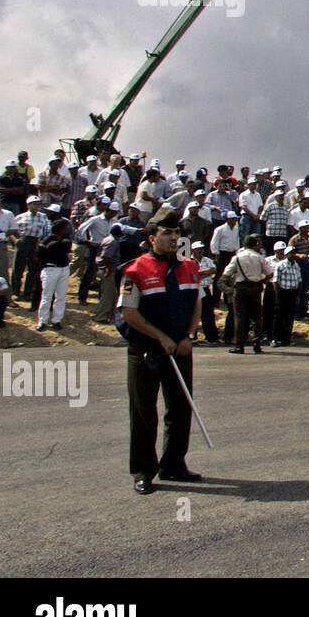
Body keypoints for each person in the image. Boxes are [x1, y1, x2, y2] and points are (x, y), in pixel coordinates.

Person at [117, 210, 202, 495]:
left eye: (177, 233)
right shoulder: (135, 270)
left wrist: (189, 336)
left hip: (180, 348)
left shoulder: (189, 266)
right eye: (167, 233)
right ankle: (143, 470)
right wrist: (161, 337)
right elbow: (129, 313)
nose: (174, 238)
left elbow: (197, 305)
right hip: (146, 349)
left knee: (180, 407)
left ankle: (174, 464)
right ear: (153, 238)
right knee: (144, 412)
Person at [223, 234, 272, 353]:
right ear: (255, 244)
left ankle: (239, 345)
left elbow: (227, 273)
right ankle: (257, 344)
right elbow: (270, 273)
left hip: (241, 287)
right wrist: (261, 280)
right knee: (256, 318)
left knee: (239, 317)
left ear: (244, 245)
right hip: (255, 288)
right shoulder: (259, 257)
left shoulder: (237, 257)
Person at [35, 218, 73, 332]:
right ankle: (42, 321)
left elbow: (68, 253)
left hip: (64, 269)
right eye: (65, 228)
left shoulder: (66, 240)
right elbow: (38, 256)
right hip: (51, 269)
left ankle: (57, 320)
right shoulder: (47, 240)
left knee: (60, 297)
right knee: (46, 297)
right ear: (60, 229)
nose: (66, 230)